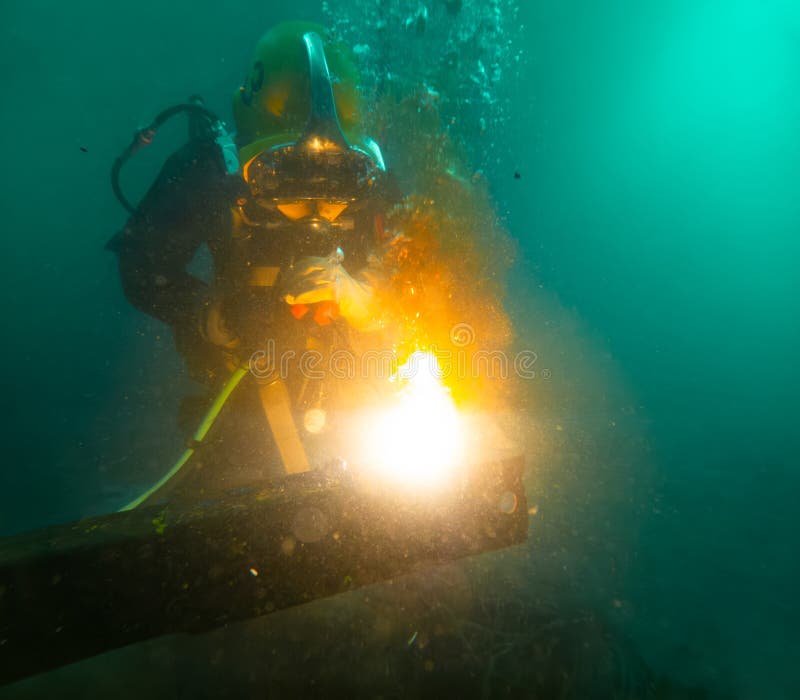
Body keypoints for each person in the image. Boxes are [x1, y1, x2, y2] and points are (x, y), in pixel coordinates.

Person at [108, 22, 399, 501]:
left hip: (352, 396)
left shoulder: (374, 188)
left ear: (361, 158)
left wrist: (361, 295)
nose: (314, 206)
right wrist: (216, 316)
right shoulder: (206, 170)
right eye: (285, 172)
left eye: (336, 177)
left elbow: (419, 279)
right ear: (245, 155)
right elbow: (139, 266)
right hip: (241, 394)